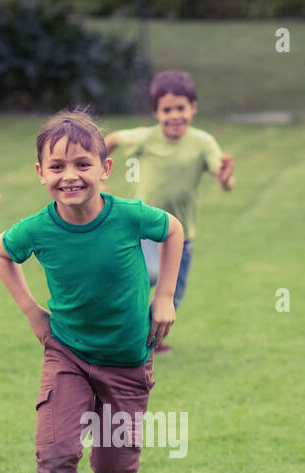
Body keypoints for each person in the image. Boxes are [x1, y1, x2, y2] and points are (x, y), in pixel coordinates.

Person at [0, 109, 184, 473]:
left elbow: (173, 229)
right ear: (40, 174)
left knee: (114, 471)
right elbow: (1, 251)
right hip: (68, 352)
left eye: (82, 164)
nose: (70, 176)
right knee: (55, 453)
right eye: (57, 167)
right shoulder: (38, 228)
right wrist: (34, 313)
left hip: (126, 359)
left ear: (104, 168)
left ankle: (100, 416)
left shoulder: (128, 216)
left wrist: (165, 297)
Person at [105, 70, 232, 354]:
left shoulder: (203, 143)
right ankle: (124, 330)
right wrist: (92, 165)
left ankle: (148, 341)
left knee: (172, 295)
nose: (174, 116)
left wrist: (225, 177)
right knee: (149, 274)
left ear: (193, 107)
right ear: (156, 112)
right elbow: (113, 138)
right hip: (145, 227)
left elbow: (224, 181)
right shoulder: (146, 138)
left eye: (181, 108)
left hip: (182, 234)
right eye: (167, 110)